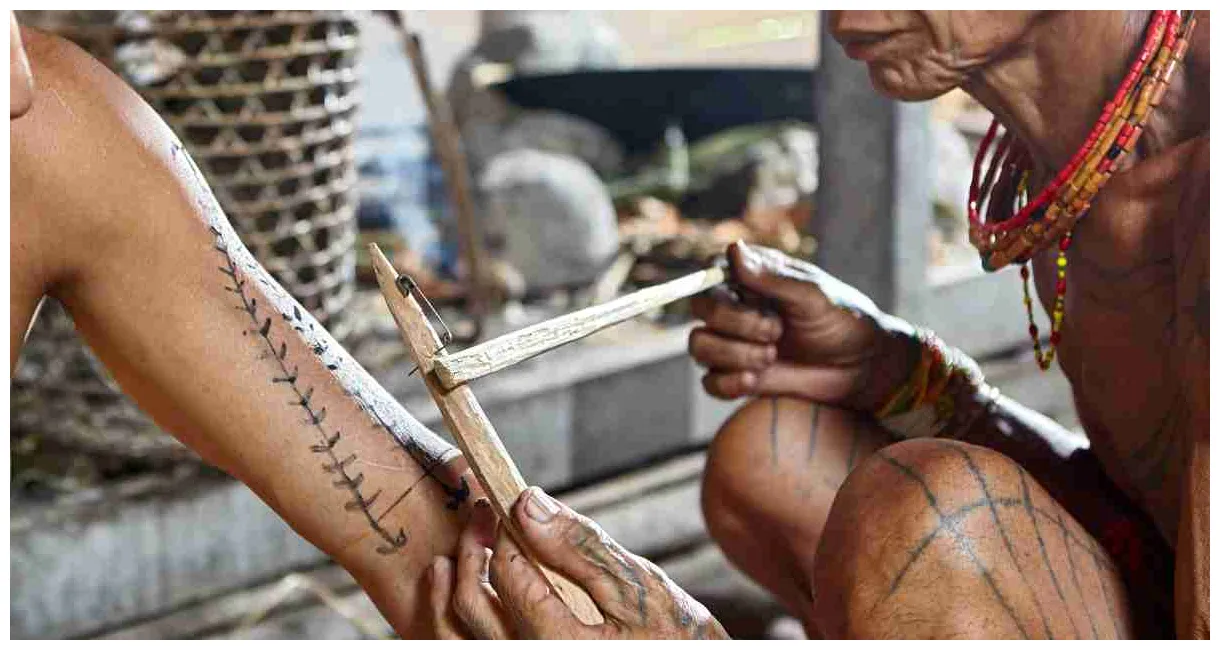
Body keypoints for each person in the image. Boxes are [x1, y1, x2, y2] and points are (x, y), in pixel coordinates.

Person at [429, 10, 1209, 639]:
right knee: (770, 458)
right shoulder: (1084, 150)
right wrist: (900, 372)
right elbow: (1157, 495)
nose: (844, 18)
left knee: (927, 519)